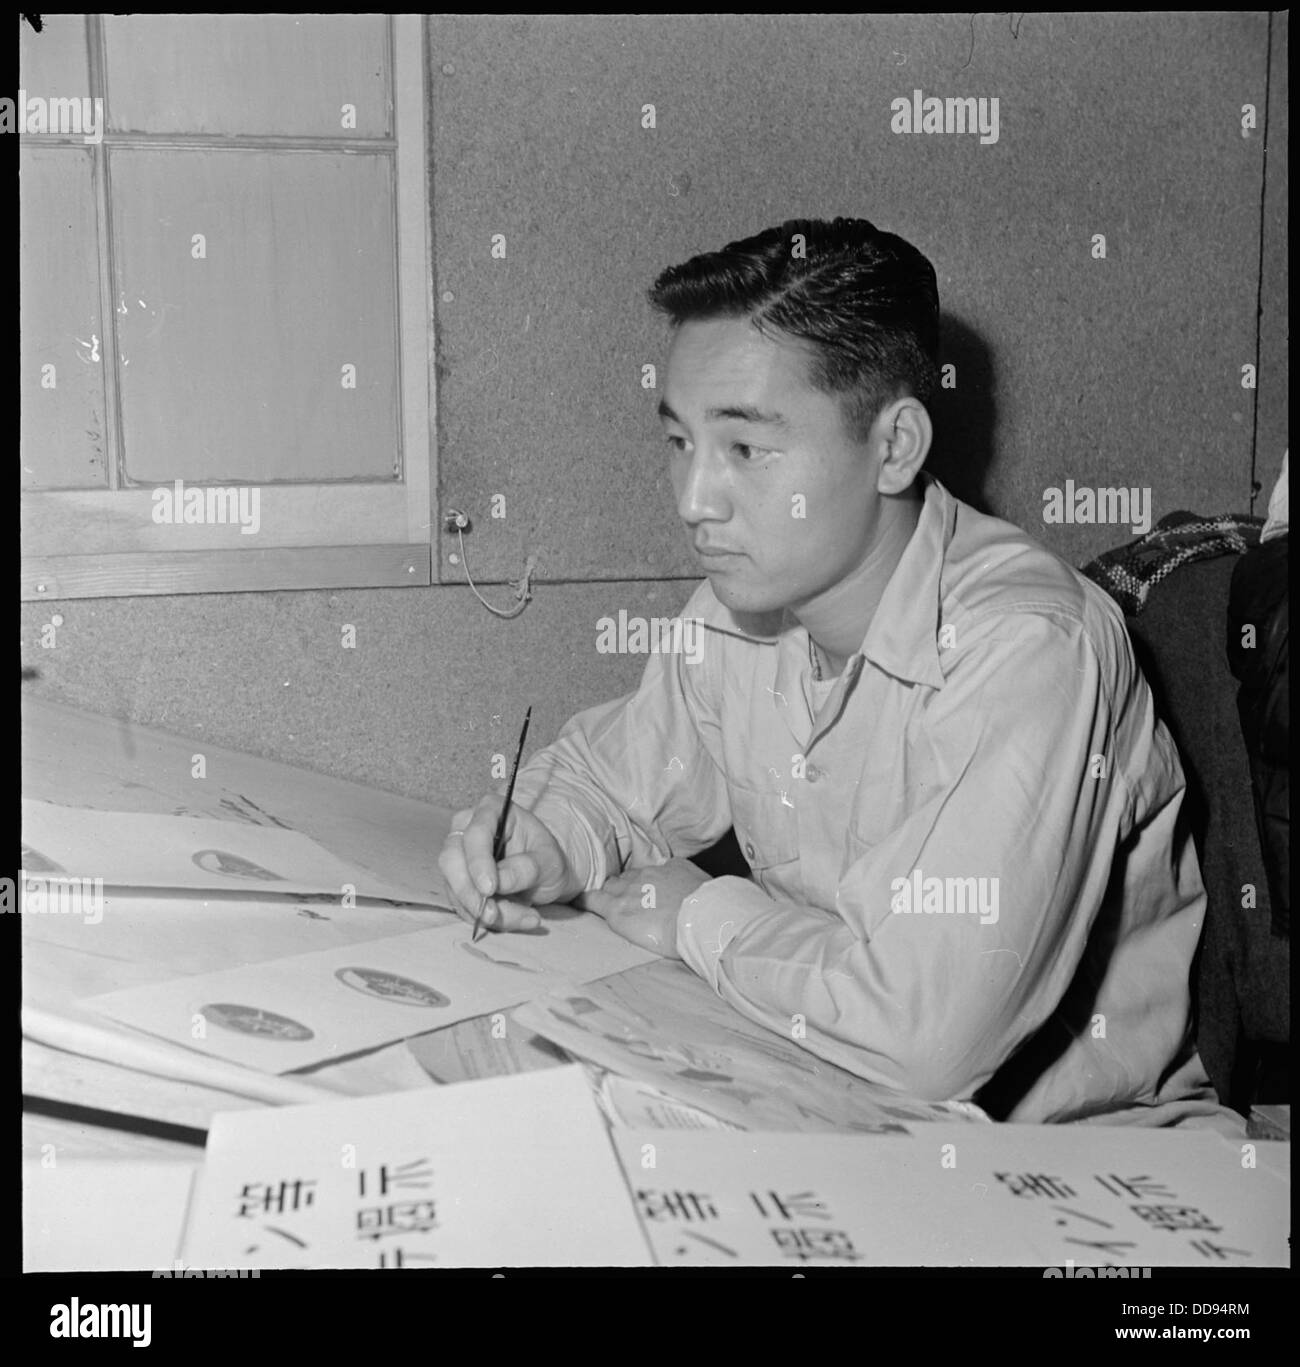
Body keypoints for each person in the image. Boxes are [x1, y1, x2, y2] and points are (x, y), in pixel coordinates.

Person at [438, 217, 1226, 1126]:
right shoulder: (746, 606)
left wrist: (694, 914)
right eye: (680, 442)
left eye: (745, 449)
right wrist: (537, 838)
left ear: (893, 447)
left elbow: (923, 1038)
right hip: (815, 1086)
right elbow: (605, 783)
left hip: (1055, 1160)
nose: (695, 499)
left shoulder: (1030, 649)